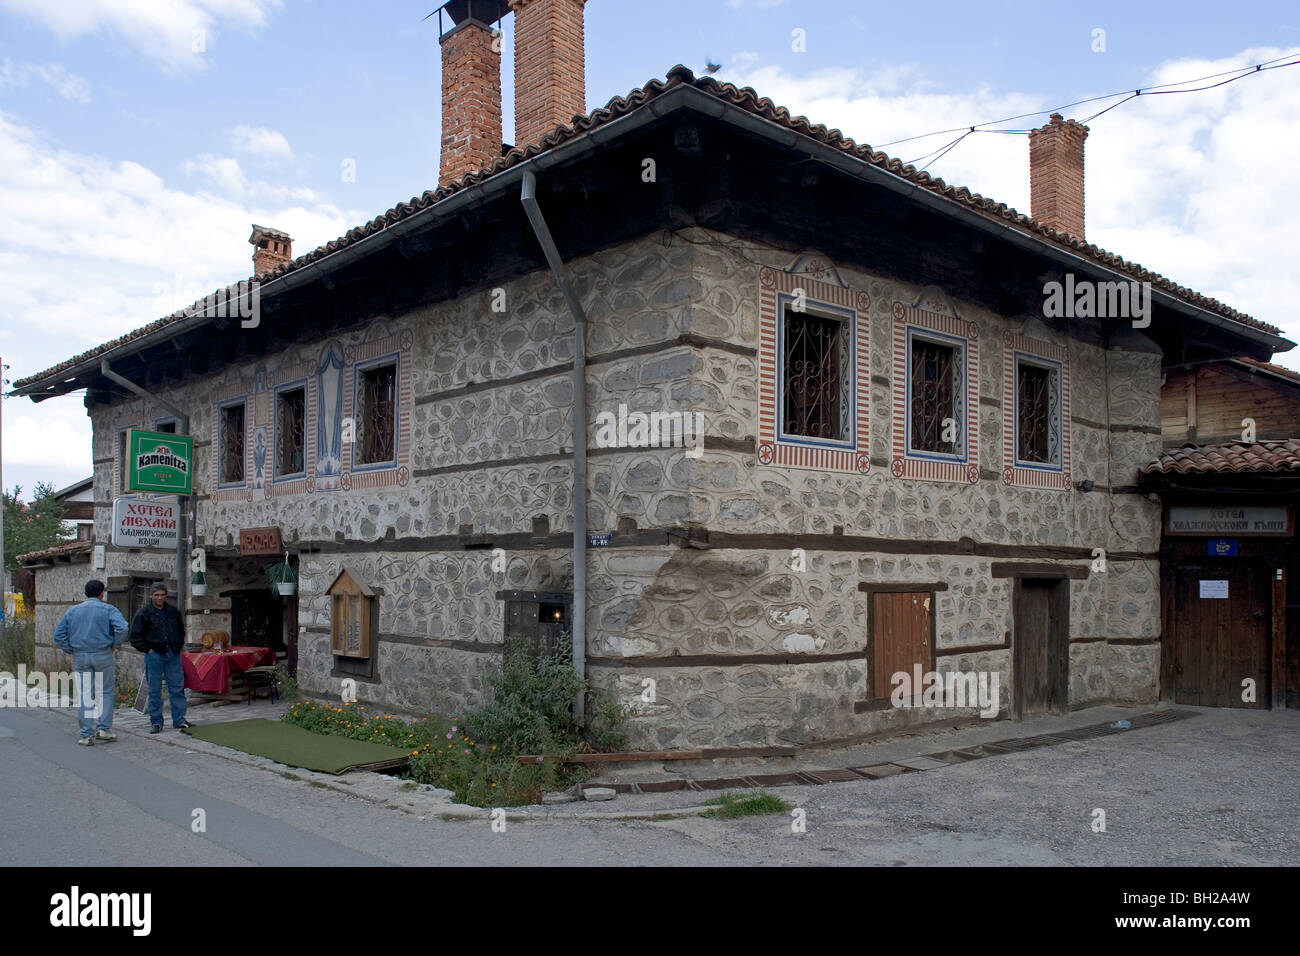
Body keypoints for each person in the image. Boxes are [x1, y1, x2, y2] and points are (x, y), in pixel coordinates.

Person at [53, 579, 129, 745]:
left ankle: (86, 734)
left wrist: (70, 649)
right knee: (106, 691)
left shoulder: (73, 611)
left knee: (85, 694)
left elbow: (58, 635)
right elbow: (123, 628)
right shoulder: (109, 609)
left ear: (85, 593)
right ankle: (104, 729)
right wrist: (115, 644)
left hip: (81, 655)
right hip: (103, 654)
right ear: (102, 593)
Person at [128, 583, 196, 734]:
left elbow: (180, 630)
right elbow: (134, 636)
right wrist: (148, 649)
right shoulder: (143, 613)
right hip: (155, 655)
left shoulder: (173, 612)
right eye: (156, 595)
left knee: (177, 688)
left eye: (162, 595)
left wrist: (178, 645)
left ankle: (179, 719)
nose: (159, 598)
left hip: (172, 654)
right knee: (154, 690)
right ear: (151, 596)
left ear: (165, 595)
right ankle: (156, 722)